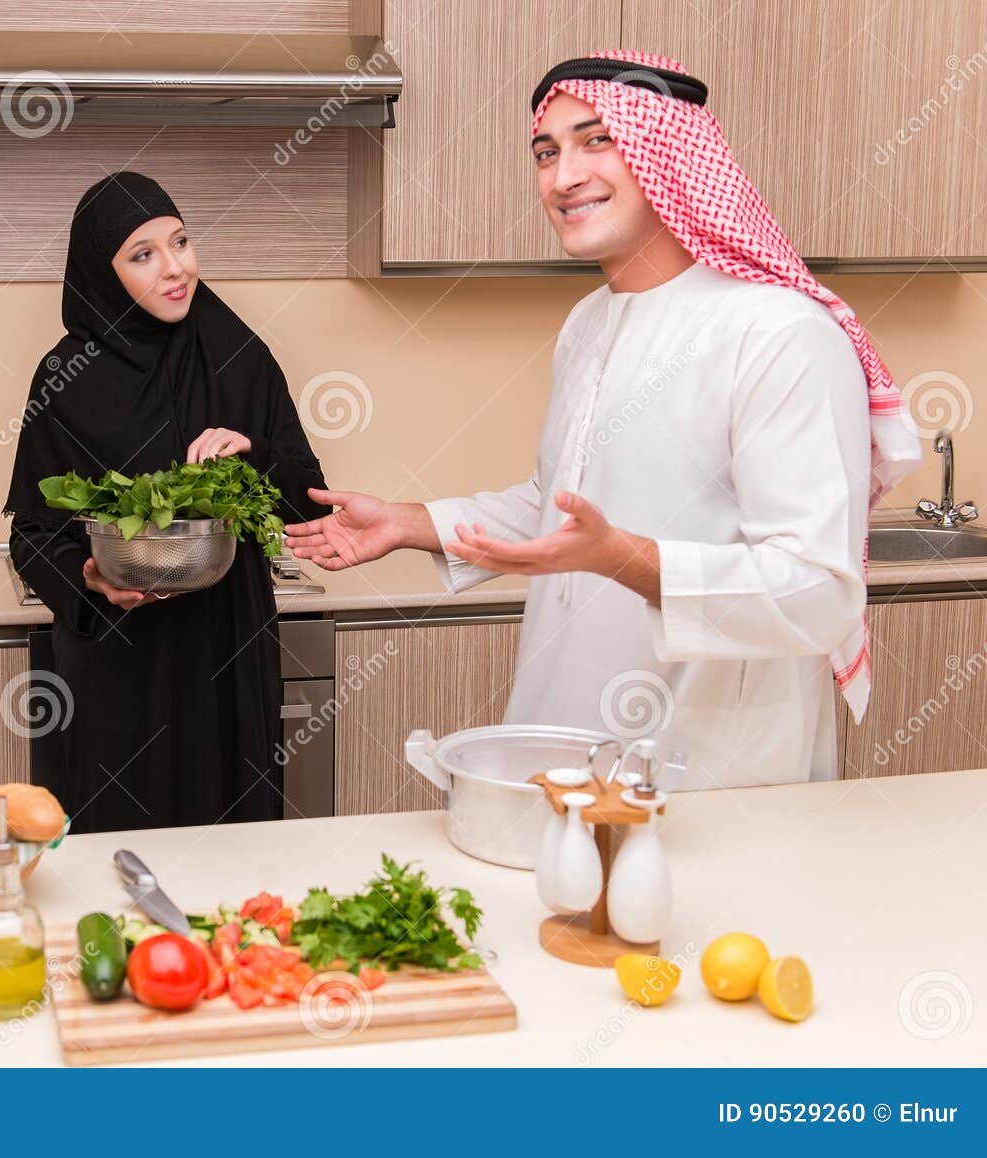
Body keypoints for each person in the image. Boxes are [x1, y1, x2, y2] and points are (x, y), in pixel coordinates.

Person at [284, 51, 920, 788]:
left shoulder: (778, 334)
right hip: (567, 732)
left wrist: (617, 556)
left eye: (597, 141)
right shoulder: (588, 323)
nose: (563, 176)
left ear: (668, 153)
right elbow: (563, 506)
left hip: (718, 766)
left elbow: (818, 592)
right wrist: (410, 520)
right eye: (545, 152)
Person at [4, 171, 329, 832]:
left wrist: (256, 454)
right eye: (142, 254)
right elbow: (33, 532)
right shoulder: (66, 380)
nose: (175, 269)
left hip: (229, 650)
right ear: (103, 272)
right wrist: (89, 578)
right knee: (121, 857)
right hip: (120, 663)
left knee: (236, 856)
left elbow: (310, 503)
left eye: (180, 242)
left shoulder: (242, 358)